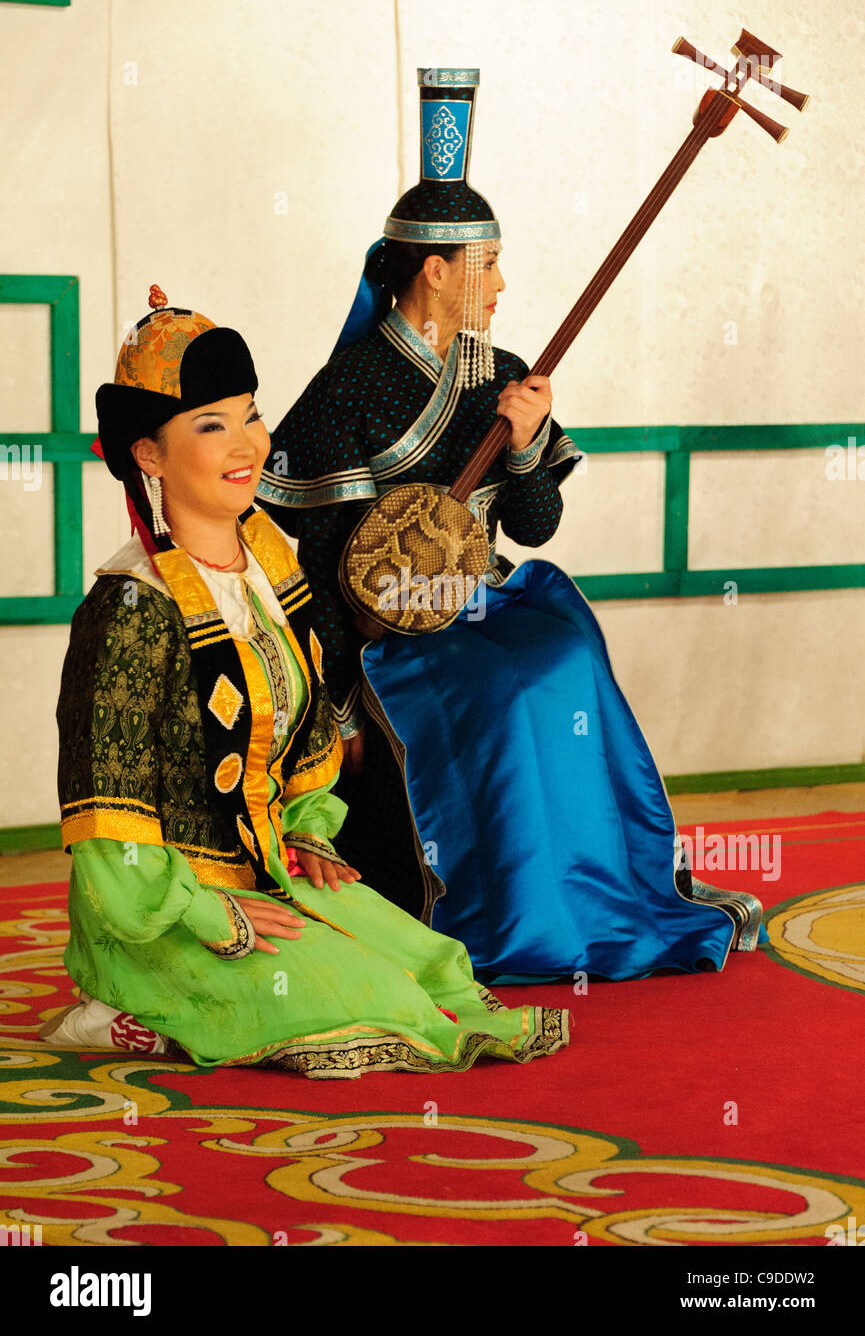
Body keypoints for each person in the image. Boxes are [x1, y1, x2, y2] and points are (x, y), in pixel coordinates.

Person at [256, 68, 765, 982]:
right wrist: (335, 707)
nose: (501, 285)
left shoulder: (505, 372)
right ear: (436, 269)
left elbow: (535, 529)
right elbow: (323, 553)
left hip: (488, 601)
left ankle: (604, 891)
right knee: (504, 690)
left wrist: (525, 446)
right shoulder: (350, 387)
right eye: (486, 265)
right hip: (392, 629)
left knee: (561, 658)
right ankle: (504, 912)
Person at [43, 287, 569, 1076]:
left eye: (250, 416)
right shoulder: (130, 608)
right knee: (367, 998)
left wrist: (306, 833)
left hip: (269, 868)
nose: (245, 445)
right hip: (161, 910)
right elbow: (106, 822)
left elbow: (301, 736)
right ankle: (128, 1007)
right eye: (210, 426)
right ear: (147, 453)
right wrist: (206, 912)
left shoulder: (269, 570)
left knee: (431, 967)